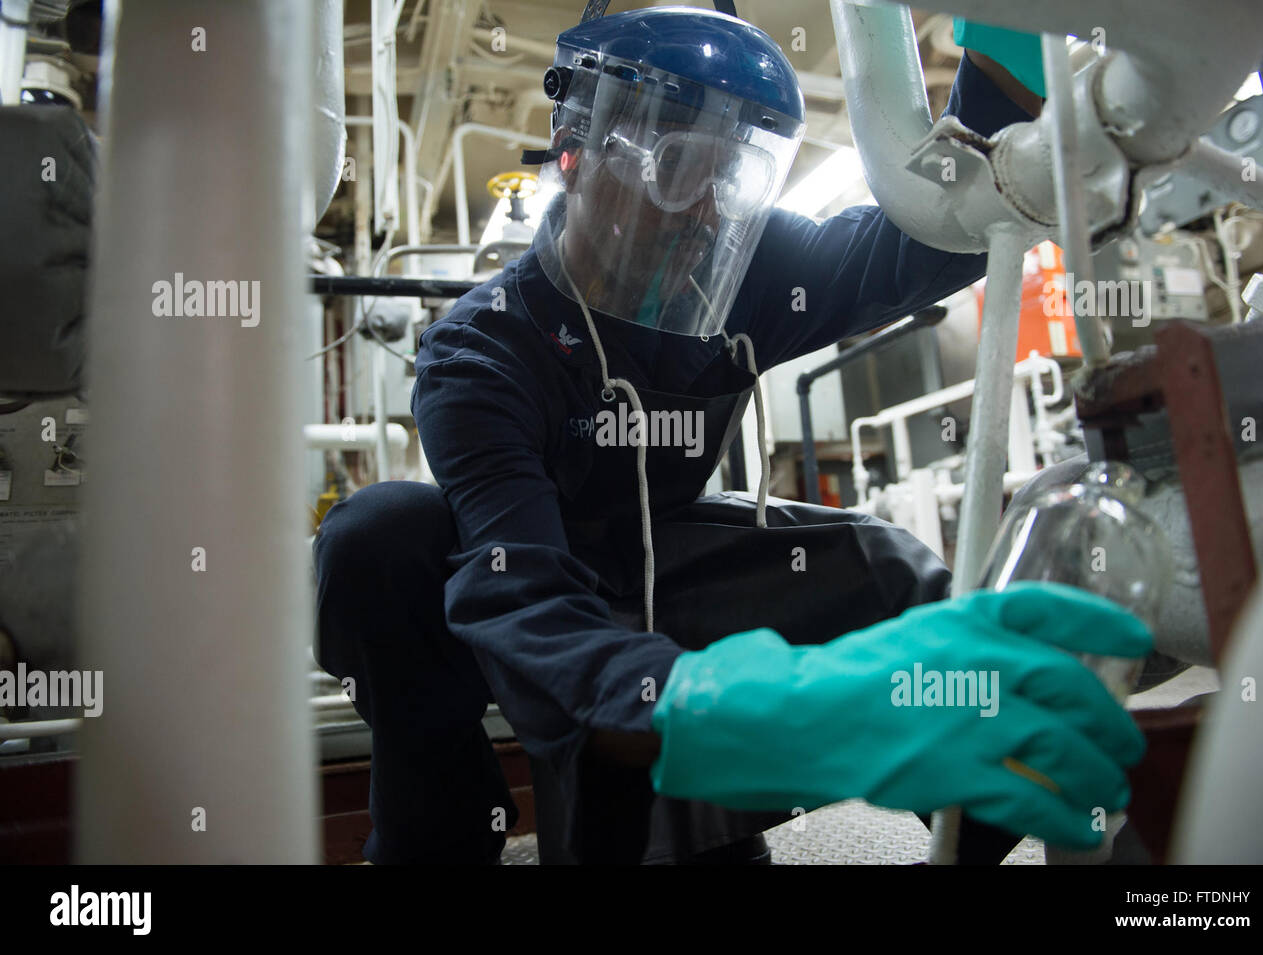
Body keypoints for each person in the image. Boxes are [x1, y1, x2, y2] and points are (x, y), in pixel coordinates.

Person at [313, 5, 1150, 865]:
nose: (709, 212)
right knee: (376, 537)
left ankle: (983, 826)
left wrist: (1004, 53)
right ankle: (436, 838)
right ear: (579, 148)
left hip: (661, 559)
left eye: (736, 180)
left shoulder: (738, 267)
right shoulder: (483, 349)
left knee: (886, 564)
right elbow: (522, 593)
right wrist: (722, 706)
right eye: (680, 170)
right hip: (525, 583)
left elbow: (929, 242)